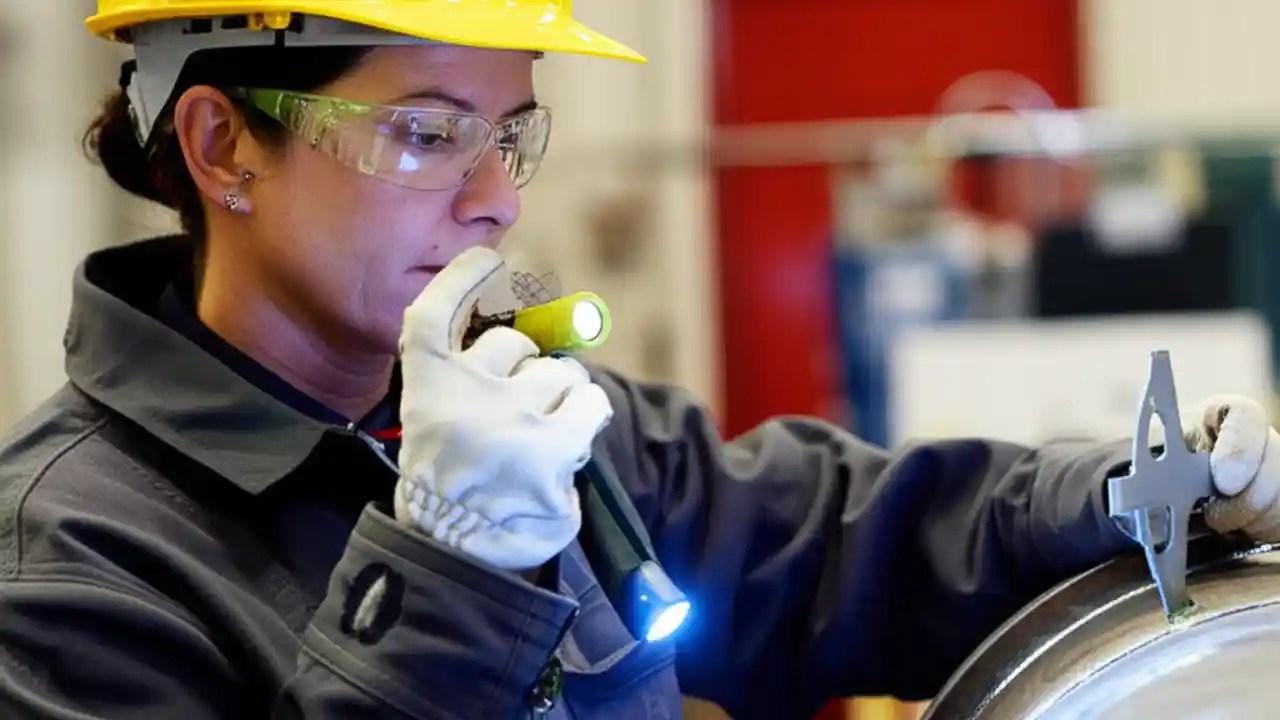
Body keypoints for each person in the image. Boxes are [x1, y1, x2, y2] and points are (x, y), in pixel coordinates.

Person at [0, 3, 1277, 718]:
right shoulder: (66, 572)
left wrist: (1131, 491)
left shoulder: (552, 429)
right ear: (224, 147)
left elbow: (842, 541)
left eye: (513, 135)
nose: (495, 201)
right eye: (429, 133)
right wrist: (450, 572)